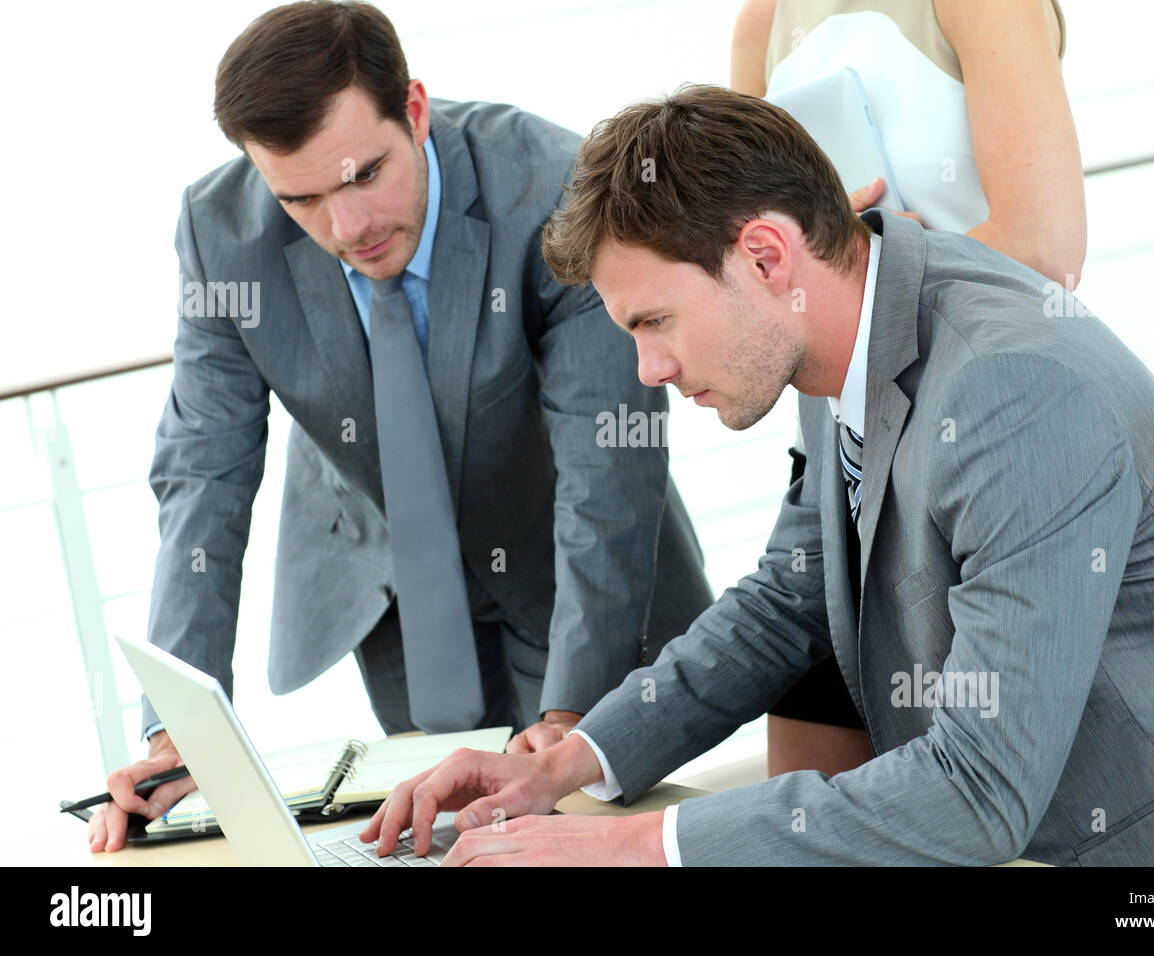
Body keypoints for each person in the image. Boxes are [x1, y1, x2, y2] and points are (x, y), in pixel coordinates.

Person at [361, 85, 1154, 866]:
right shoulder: (835, 325)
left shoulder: (1015, 391)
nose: (648, 371)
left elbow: (980, 789)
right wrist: (568, 764)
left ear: (766, 256)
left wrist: (629, 847)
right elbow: (787, 598)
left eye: (655, 323)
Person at [86, 0, 713, 853]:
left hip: (577, 570)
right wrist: (176, 742)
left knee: (585, 833)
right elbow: (203, 473)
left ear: (414, 111)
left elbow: (607, 471)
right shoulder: (220, 233)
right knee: (442, 838)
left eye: (364, 175)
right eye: (301, 198)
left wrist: (570, 725)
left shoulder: (555, 188)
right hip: (396, 587)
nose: (349, 228)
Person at [732, 0, 1087, 777]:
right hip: (843, 466)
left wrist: (867, 269)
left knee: (973, 789)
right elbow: (744, 264)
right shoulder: (762, 19)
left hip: (980, 451)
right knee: (800, 820)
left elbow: (1044, 249)